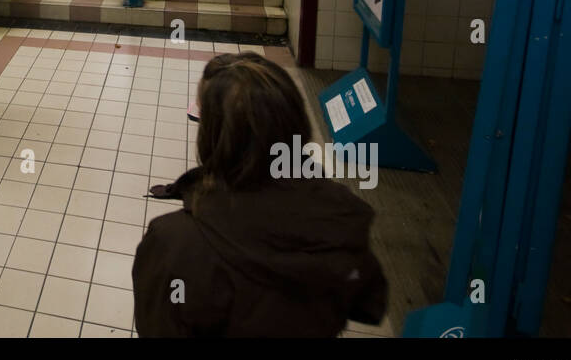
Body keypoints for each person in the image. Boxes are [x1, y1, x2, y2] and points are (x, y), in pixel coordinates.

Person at [132, 52, 387, 337]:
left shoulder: (175, 243)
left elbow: (158, 324)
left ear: (214, 136)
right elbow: (369, 302)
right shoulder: (339, 216)